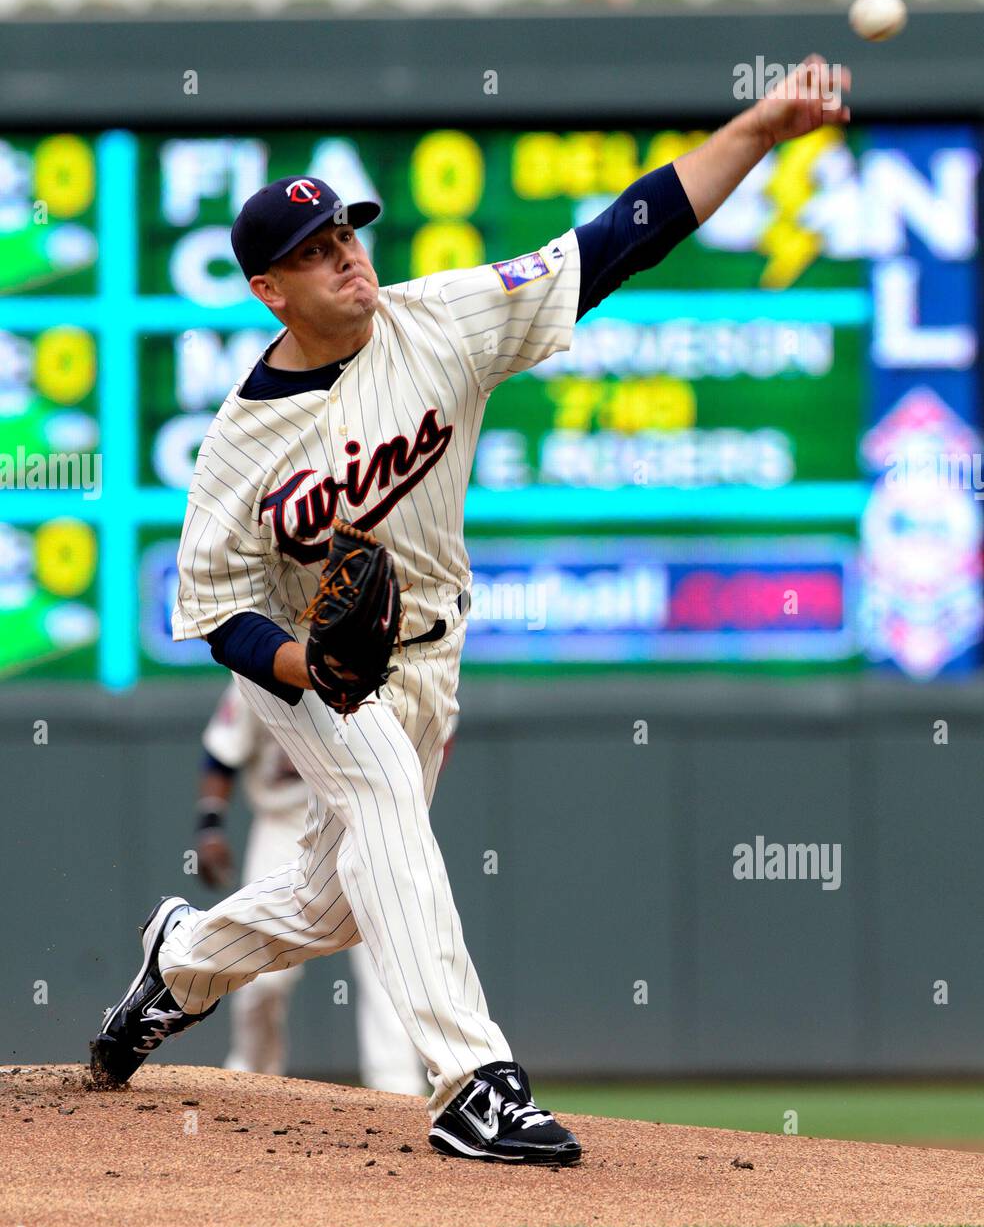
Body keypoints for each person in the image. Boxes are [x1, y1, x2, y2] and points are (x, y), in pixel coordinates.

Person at [90, 56, 850, 1164]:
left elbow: (624, 235)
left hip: (432, 653)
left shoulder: (439, 322)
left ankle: (181, 962)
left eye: (345, 234)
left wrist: (765, 126)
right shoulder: (237, 450)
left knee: (335, 902)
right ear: (270, 290)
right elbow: (211, 609)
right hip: (317, 674)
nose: (344, 255)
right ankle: (472, 1083)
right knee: (388, 806)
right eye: (311, 252)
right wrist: (307, 665)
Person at [196, 679, 428, 1092]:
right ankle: (250, 1079)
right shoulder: (256, 667)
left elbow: (432, 731)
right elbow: (221, 754)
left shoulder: (372, 665)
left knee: (387, 963)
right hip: (283, 827)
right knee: (260, 972)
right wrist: (210, 827)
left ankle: (399, 1093)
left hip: (362, 819)